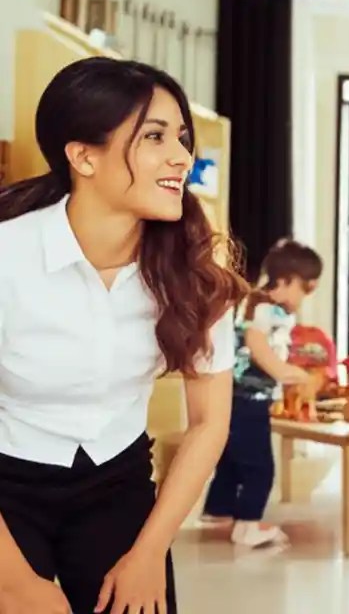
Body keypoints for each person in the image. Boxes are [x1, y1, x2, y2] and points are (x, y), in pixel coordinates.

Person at [0, 58, 248, 613]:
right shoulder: (7, 257)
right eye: (155, 137)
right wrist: (15, 584)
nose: (182, 157)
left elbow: (210, 424)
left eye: (181, 138)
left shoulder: (196, 270)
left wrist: (147, 554)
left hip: (118, 483)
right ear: (83, 156)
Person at [201, 240, 322, 548]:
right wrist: (286, 373)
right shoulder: (266, 307)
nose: (303, 298)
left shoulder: (253, 302)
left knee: (231, 456)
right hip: (248, 396)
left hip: (231, 393)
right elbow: (257, 345)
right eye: (304, 289)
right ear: (285, 280)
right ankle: (248, 526)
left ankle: (219, 509)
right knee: (259, 466)